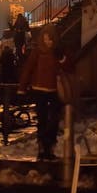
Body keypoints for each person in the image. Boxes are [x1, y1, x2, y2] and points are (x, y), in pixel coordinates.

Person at [17, 24, 63, 161]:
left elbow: (67, 68)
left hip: (55, 90)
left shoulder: (57, 52)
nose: (47, 41)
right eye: (45, 39)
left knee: (54, 120)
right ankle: (43, 147)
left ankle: (50, 145)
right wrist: (21, 88)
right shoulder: (37, 52)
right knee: (42, 119)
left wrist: (63, 61)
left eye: (50, 39)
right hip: (39, 90)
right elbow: (28, 69)